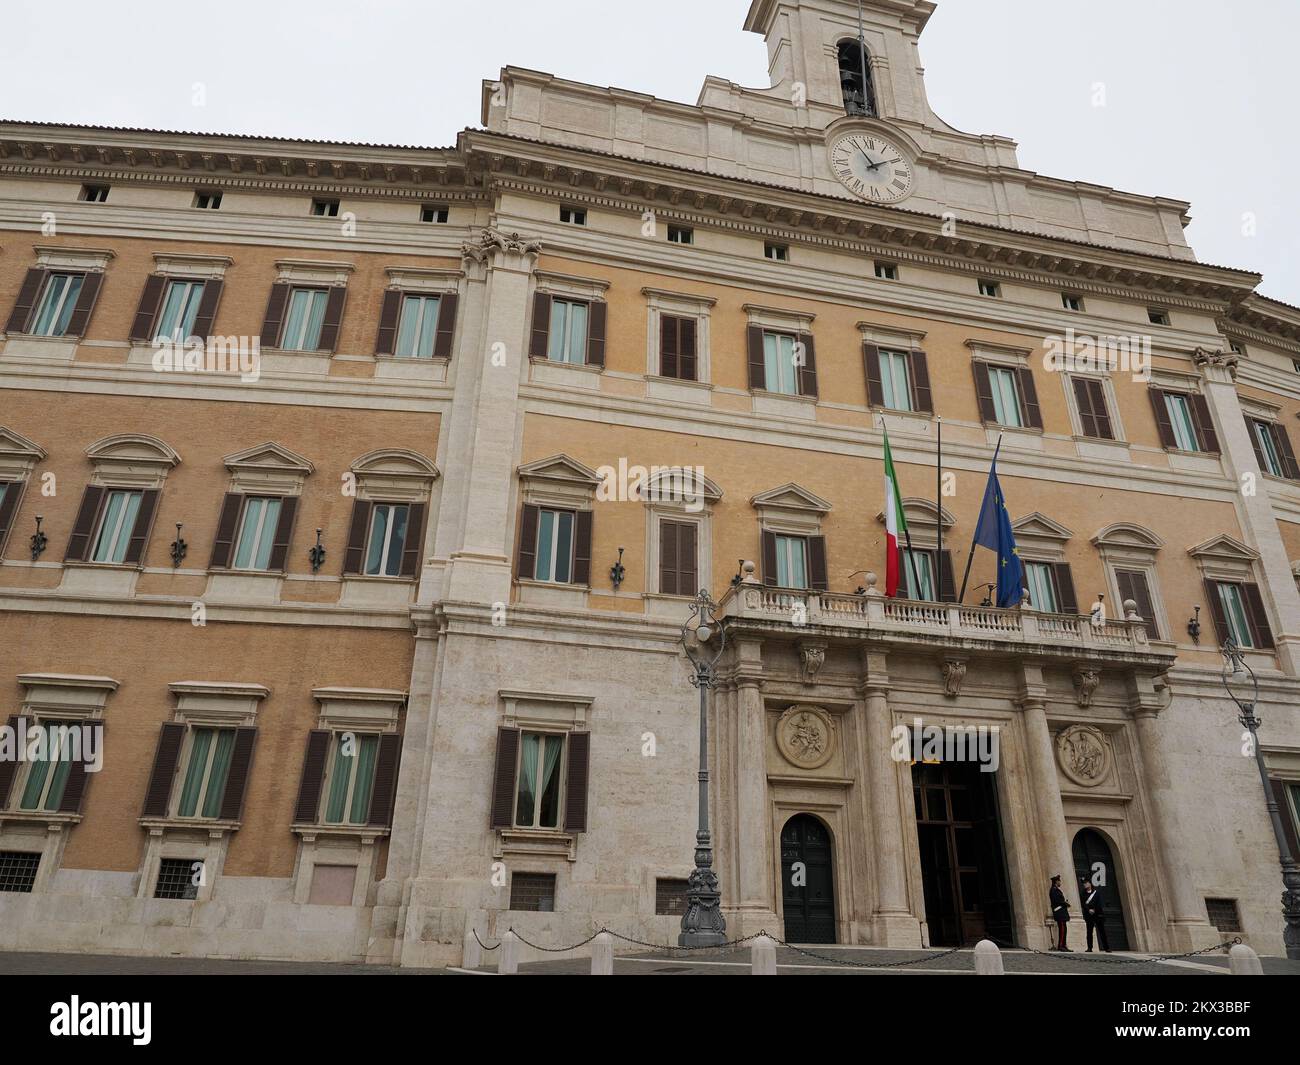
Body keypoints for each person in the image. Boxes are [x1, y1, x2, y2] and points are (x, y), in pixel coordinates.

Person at [1081, 876, 1111, 953]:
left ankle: (1106, 948)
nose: (1085, 885)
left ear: (1090, 883)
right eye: (1084, 883)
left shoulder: (1096, 893)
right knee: (1089, 932)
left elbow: (1099, 903)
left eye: (1086, 883)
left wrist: (1094, 910)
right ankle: (1089, 948)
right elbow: (1083, 904)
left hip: (1097, 914)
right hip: (1089, 915)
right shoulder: (1083, 894)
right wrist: (1088, 910)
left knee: (1102, 931)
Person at [1049, 874, 1071, 951]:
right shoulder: (1053, 890)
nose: (1060, 882)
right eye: (1059, 881)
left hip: (1062, 913)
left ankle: (1064, 945)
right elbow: (1057, 901)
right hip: (1059, 913)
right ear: (1056, 882)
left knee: (1064, 929)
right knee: (1062, 929)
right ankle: (1060, 945)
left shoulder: (1057, 890)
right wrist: (1065, 903)